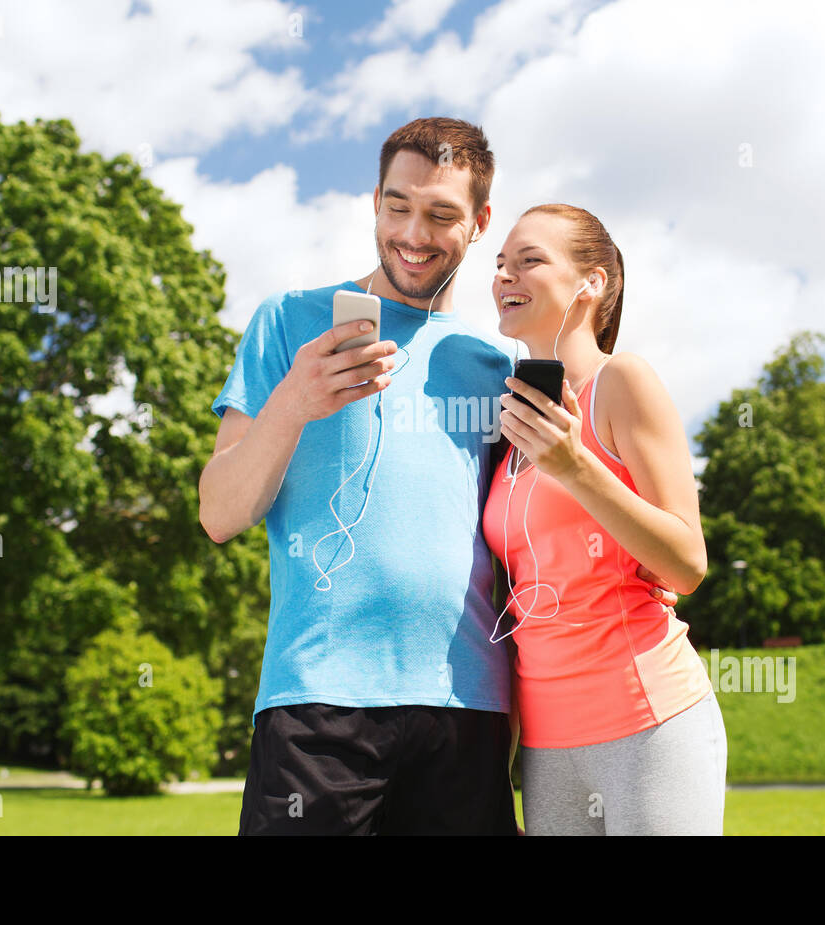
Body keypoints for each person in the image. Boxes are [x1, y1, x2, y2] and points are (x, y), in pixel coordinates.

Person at [199, 118, 675, 835]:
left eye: (441, 214)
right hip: (317, 703)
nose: (413, 233)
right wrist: (296, 400)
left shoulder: (499, 364)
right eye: (398, 206)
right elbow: (219, 512)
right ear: (376, 202)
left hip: (469, 715)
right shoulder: (287, 323)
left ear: (480, 223)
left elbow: (524, 540)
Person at [483, 203, 727, 835]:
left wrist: (575, 467)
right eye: (500, 264)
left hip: (648, 723)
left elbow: (687, 561)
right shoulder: (513, 424)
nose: (506, 275)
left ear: (592, 282)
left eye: (530, 260)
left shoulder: (622, 382)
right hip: (545, 747)